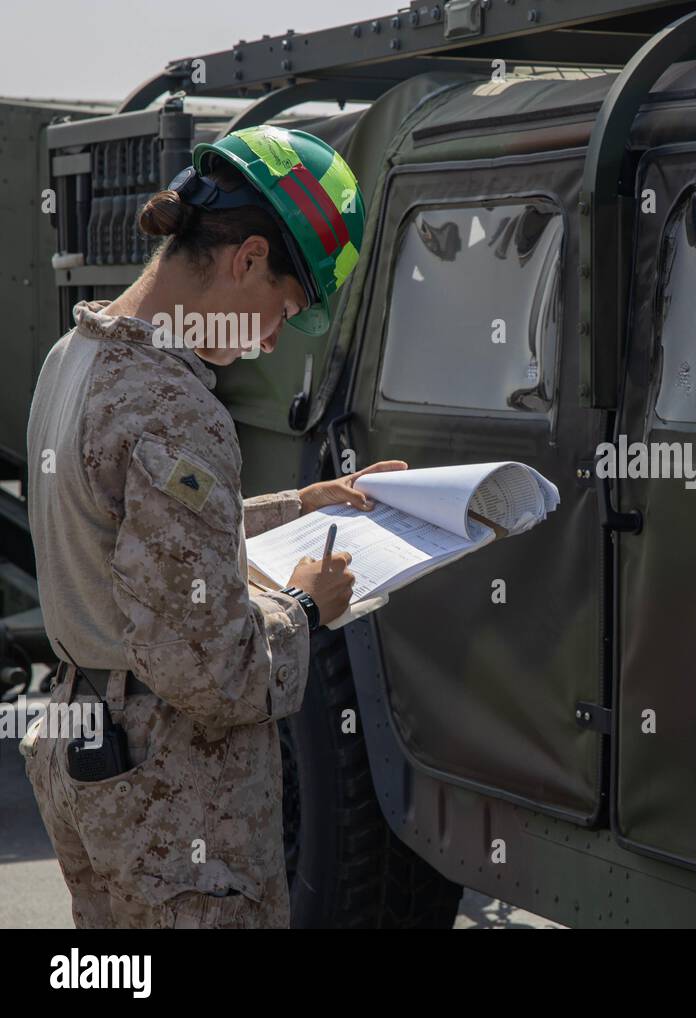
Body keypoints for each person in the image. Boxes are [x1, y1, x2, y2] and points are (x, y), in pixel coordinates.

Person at [22, 125, 401, 928]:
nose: (269, 340)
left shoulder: (76, 358)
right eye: (284, 311)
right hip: (172, 805)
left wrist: (303, 506)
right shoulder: (175, 408)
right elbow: (211, 670)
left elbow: (132, 539)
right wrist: (305, 608)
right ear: (248, 259)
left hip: (88, 756)